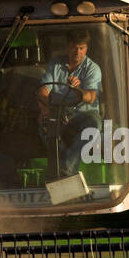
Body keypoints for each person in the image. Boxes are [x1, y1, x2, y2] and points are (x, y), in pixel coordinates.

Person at [37, 34, 102, 177]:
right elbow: (43, 90)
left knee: (94, 125)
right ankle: (60, 167)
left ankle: (66, 169)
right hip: (59, 112)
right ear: (68, 47)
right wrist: (46, 108)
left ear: (86, 49)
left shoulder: (92, 68)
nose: (77, 52)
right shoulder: (55, 64)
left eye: (81, 48)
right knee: (44, 126)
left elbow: (91, 98)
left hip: (84, 115)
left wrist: (77, 90)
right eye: (74, 47)